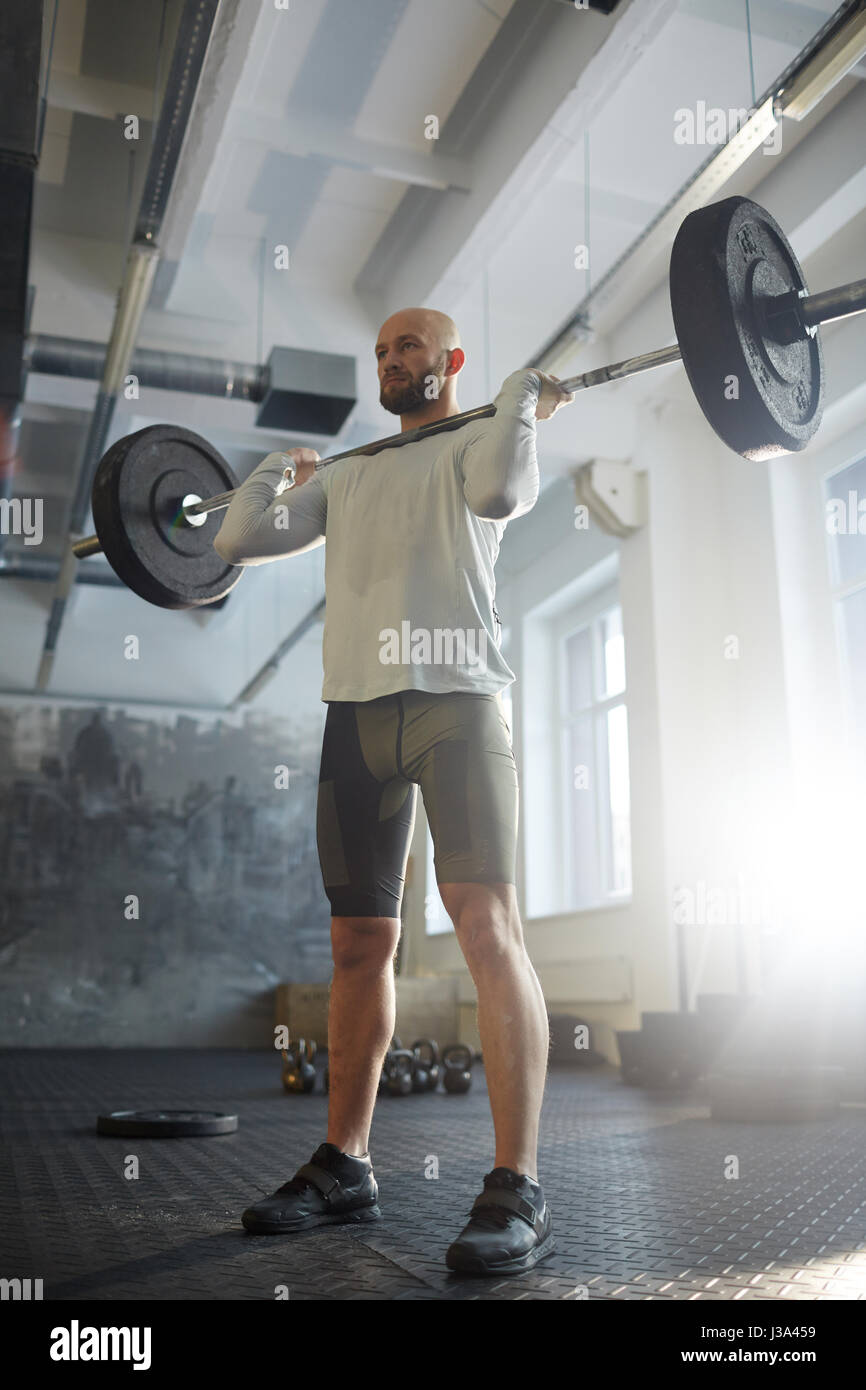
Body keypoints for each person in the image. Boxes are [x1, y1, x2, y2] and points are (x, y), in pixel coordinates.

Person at [214, 308, 573, 1276]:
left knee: (484, 924)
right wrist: (274, 471)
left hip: (459, 703)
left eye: (407, 346)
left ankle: (517, 1184)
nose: (390, 360)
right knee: (356, 941)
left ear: (449, 360)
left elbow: (499, 489)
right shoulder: (352, 471)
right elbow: (238, 541)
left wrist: (520, 404)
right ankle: (346, 1163)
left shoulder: (479, 441)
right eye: (379, 351)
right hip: (355, 718)